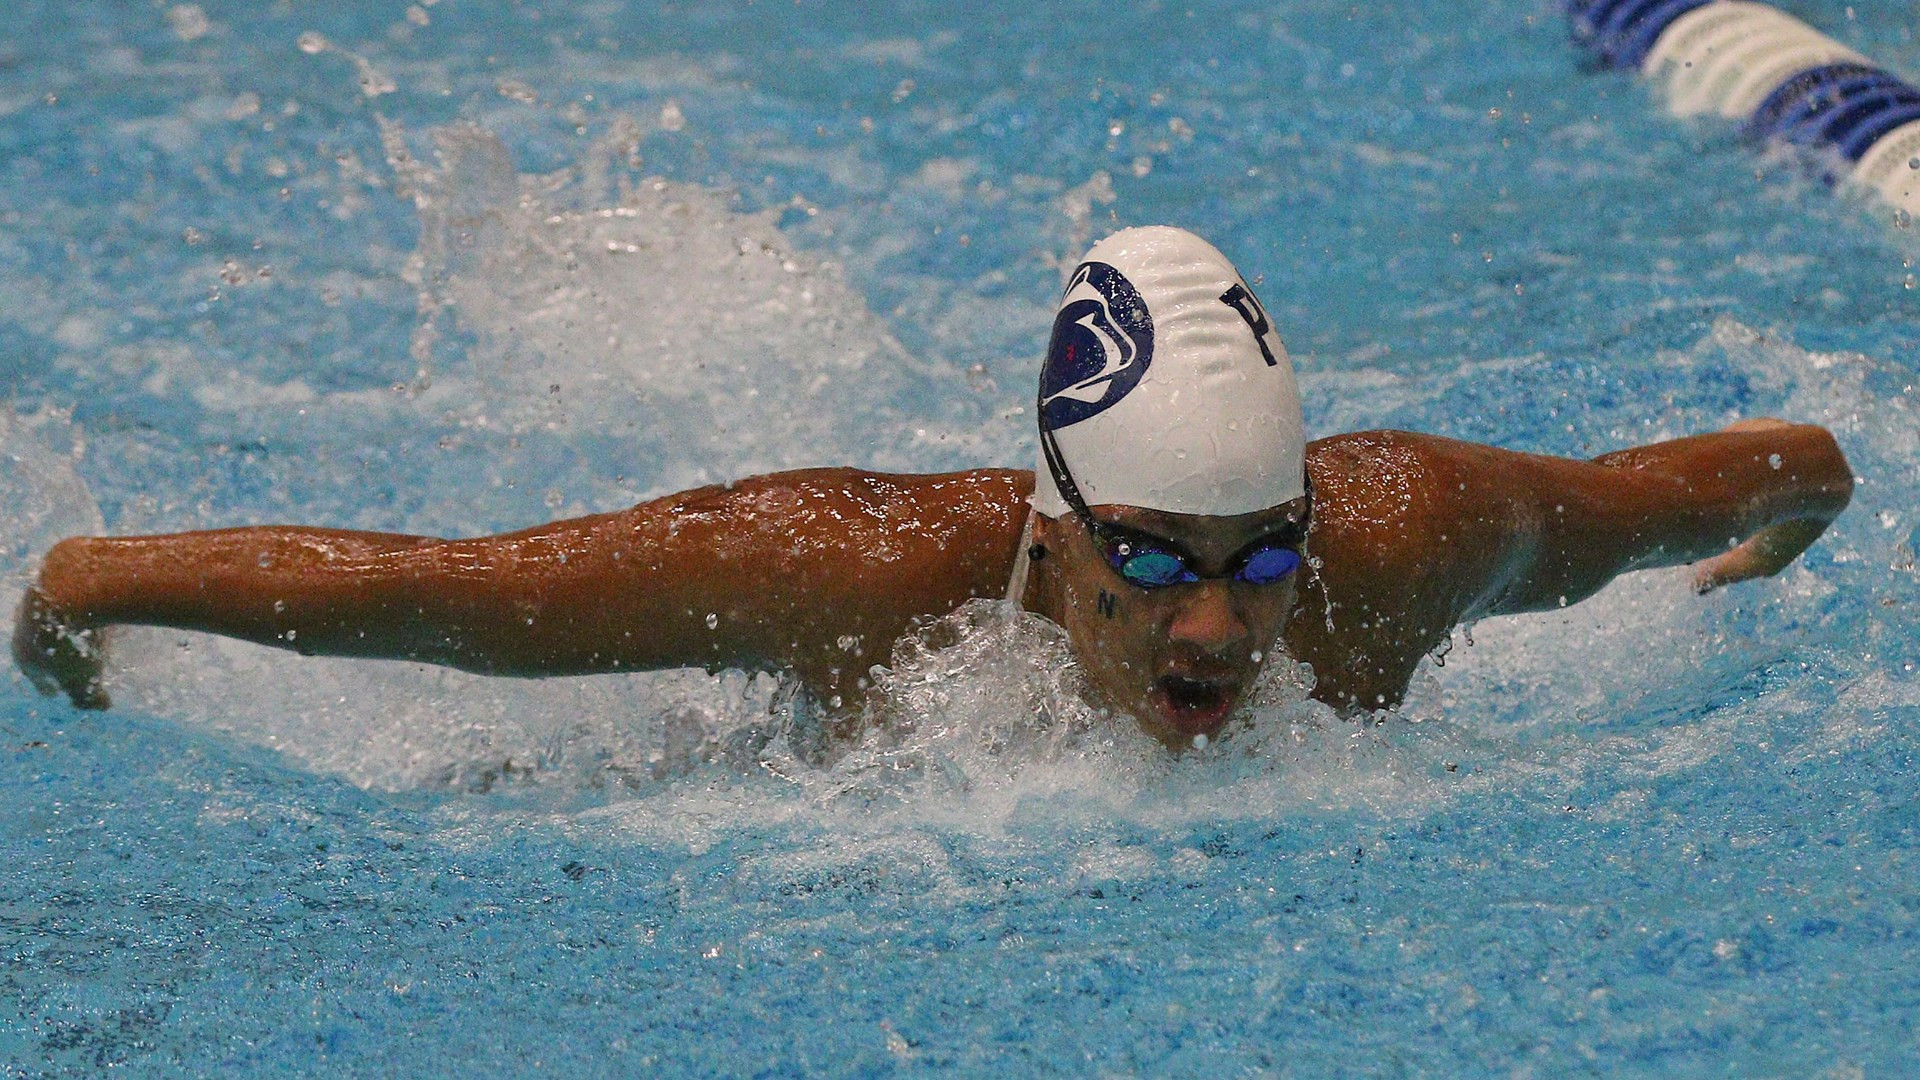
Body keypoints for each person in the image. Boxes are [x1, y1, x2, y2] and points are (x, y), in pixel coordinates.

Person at [11, 227, 1853, 750]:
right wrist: (88, 588)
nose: (1219, 627)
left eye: (1259, 558)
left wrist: (1778, 538)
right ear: (1055, 545)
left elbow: (1765, 471)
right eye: (1154, 562)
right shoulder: (843, 574)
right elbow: (453, 595)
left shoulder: (1416, 539)